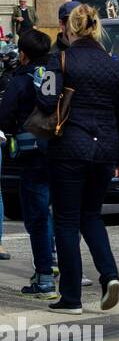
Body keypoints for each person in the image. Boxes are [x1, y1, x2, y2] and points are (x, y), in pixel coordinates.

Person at [34, 5, 119, 315]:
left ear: (68, 28)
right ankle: (110, 276)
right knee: (92, 215)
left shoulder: (59, 60)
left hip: (69, 149)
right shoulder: (113, 65)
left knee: (65, 221)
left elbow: (46, 100)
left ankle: (71, 298)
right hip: (104, 151)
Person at [0, 29, 57, 297]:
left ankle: (44, 277)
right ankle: (62, 267)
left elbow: (5, 115)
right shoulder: (57, 74)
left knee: (36, 216)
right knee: (63, 214)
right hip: (61, 152)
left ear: (22, 54)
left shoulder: (21, 79)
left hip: (33, 155)